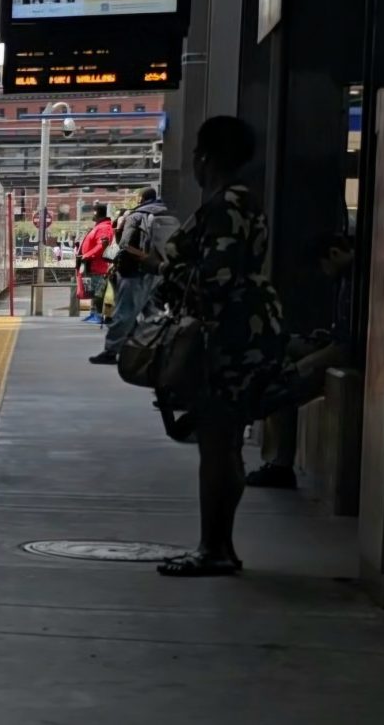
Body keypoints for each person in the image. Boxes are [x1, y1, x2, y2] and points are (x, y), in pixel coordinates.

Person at [150, 116, 287, 577]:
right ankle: (218, 546)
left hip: (228, 339)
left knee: (217, 441)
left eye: (194, 153)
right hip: (244, 330)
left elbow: (216, 277)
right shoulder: (244, 202)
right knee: (224, 442)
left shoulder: (227, 204)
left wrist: (173, 282)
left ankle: (215, 549)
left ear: (206, 157)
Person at [246, 234, 357, 489]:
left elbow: (343, 349)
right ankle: (276, 460)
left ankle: (280, 464)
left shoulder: (351, 282)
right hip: (335, 348)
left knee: (281, 386)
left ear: (333, 254)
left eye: (323, 265)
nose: (323, 272)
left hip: (342, 356)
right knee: (277, 349)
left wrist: (301, 366)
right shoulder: (347, 279)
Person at [91, 188, 178, 365]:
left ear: (141, 199)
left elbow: (124, 244)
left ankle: (111, 351)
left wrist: (142, 257)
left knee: (124, 312)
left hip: (135, 272)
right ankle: (156, 348)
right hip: (158, 272)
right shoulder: (170, 215)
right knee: (153, 312)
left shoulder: (136, 216)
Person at [77, 204, 114, 323]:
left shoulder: (103, 227)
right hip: (93, 265)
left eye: (94, 212)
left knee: (98, 292)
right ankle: (94, 313)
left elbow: (102, 245)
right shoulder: (100, 226)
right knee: (93, 291)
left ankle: (98, 315)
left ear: (96, 213)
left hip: (99, 266)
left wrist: (87, 255)